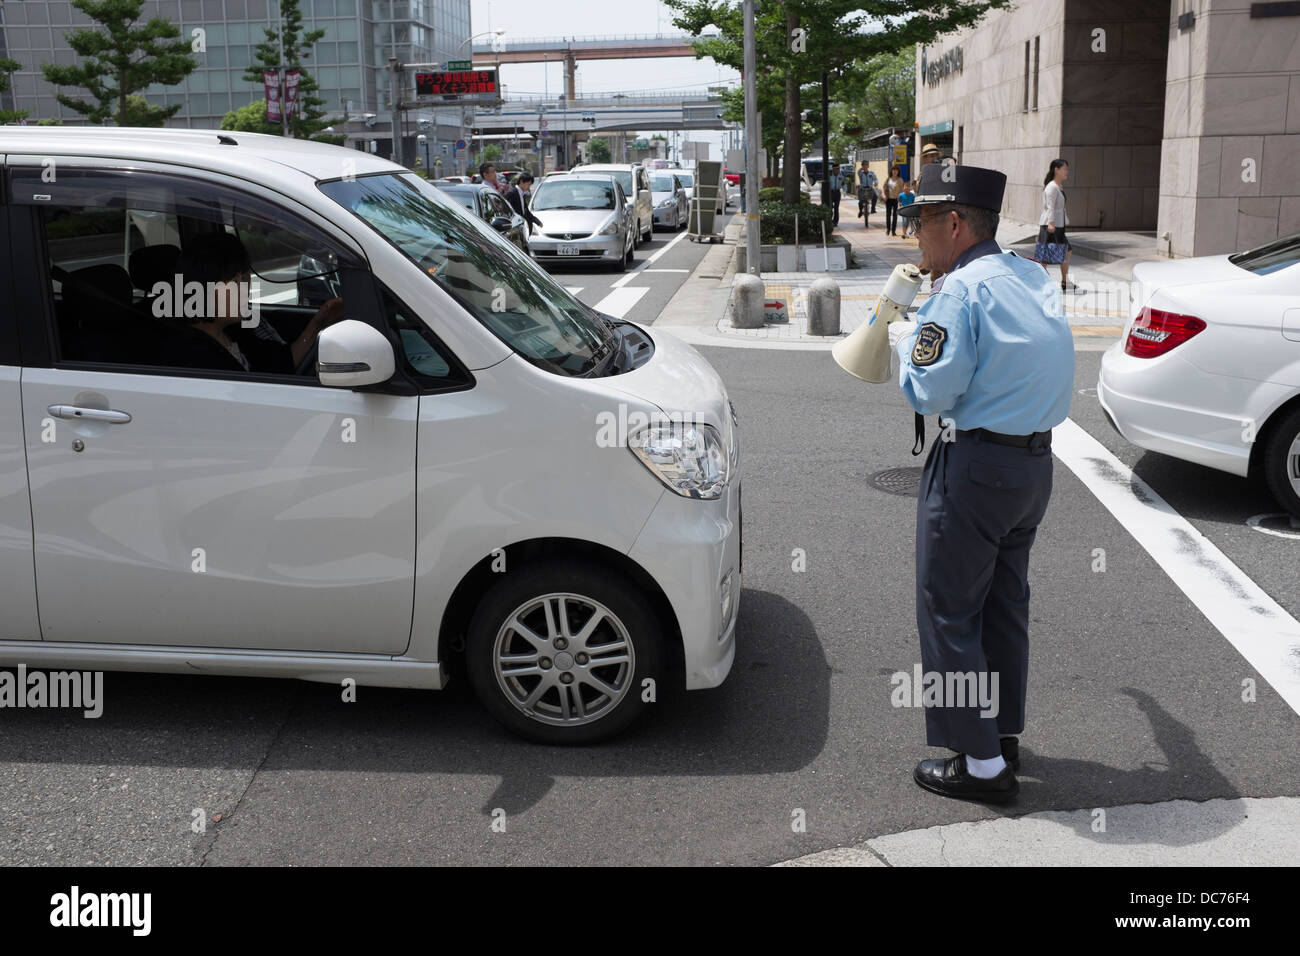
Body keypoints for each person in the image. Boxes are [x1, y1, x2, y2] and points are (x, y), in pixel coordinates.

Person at [893, 162, 1075, 802]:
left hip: (974, 468)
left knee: (950, 610)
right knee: (1004, 606)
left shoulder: (959, 293)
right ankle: (1000, 737)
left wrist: (901, 337)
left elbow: (931, 385)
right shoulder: (1029, 276)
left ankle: (982, 768)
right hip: (1033, 467)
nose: (916, 236)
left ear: (954, 223)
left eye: (921, 222)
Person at [170, 231, 343, 374]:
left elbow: (281, 363)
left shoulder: (234, 332)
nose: (245, 290)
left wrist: (317, 324)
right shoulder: (192, 357)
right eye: (234, 281)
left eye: (245, 279)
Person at [1039, 158, 1073, 291]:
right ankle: (1039, 284)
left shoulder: (1058, 186)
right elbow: (1050, 207)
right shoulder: (1052, 187)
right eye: (1065, 169)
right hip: (1051, 225)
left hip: (1059, 224)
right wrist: (1051, 223)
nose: (1067, 172)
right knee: (1044, 257)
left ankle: (1065, 281)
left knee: (1066, 251)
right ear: (1056, 170)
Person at [883, 165, 904, 237]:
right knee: (888, 215)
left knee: (895, 215)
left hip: (896, 200)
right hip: (888, 199)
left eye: (896, 170)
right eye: (893, 170)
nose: (895, 171)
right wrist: (884, 195)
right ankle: (888, 229)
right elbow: (883, 187)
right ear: (891, 171)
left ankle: (893, 231)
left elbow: (902, 190)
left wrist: (900, 200)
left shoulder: (900, 180)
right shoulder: (888, 179)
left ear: (898, 172)